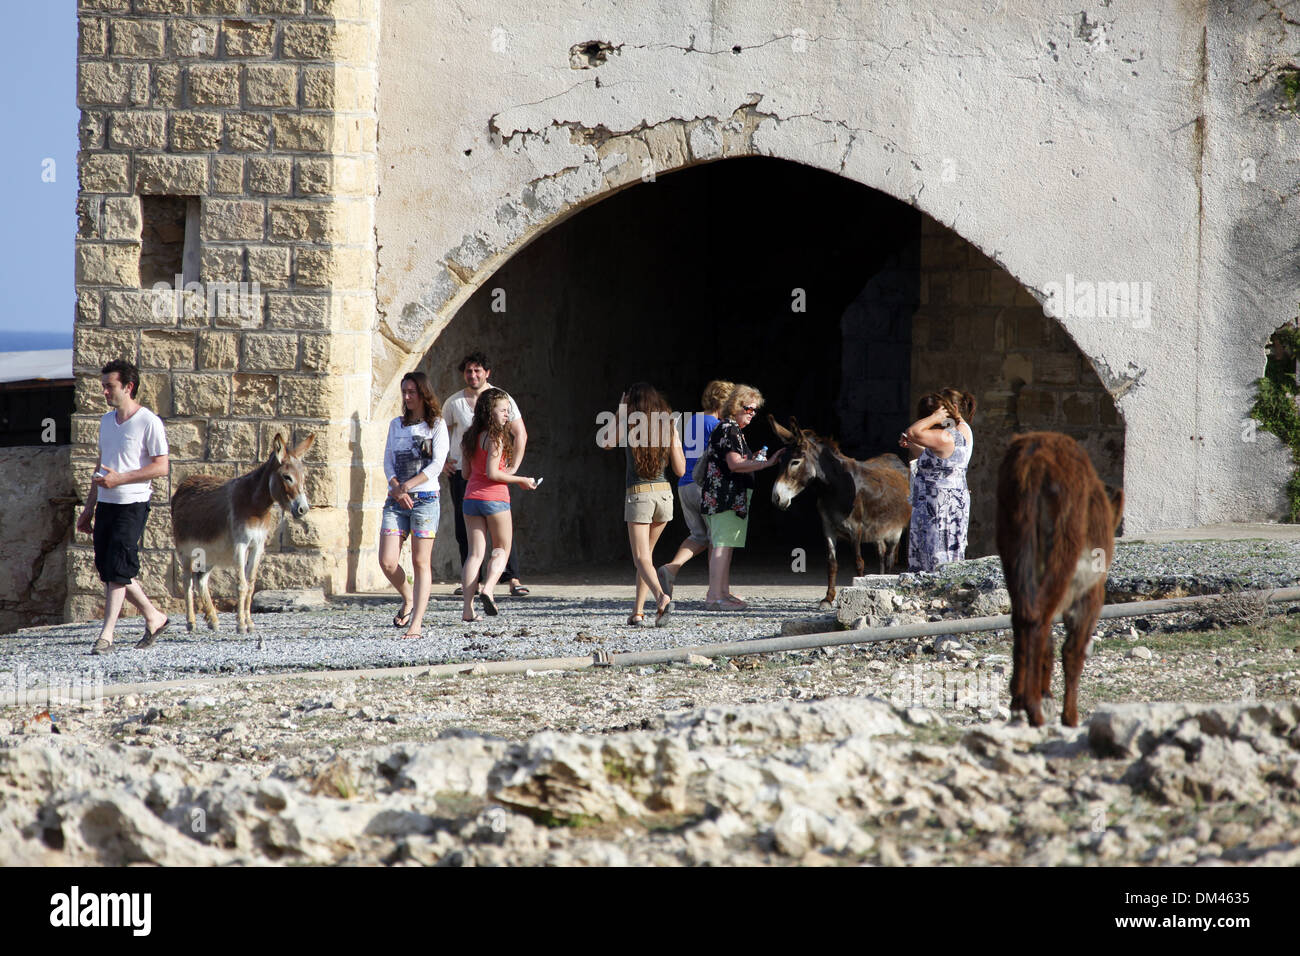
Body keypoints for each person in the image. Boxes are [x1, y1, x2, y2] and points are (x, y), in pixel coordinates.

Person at [75, 359, 171, 654]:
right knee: (109, 569)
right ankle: (155, 617)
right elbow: (100, 467)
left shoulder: (149, 421)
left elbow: (161, 467)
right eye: (103, 386)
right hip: (106, 504)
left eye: (109, 386)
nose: (104, 391)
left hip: (133, 504)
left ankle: (106, 636)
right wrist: (89, 507)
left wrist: (122, 480)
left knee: (117, 568)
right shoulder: (105, 422)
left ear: (128, 387)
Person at [442, 352, 530, 596]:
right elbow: (440, 435)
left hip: (475, 480)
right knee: (476, 535)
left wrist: (513, 468)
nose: (473, 375)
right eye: (469, 371)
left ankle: (512, 578)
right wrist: (442, 463)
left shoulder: (501, 398)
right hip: (468, 476)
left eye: (477, 370)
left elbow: (520, 433)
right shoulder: (454, 402)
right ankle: (479, 585)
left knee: (485, 543)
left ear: (487, 372)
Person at [598, 383, 686, 626]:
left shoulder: (628, 423)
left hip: (639, 497)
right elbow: (680, 470)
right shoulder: (667, 426)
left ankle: (662, 598)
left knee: (640, 557)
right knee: (646, 557)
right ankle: (637, 612)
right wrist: (675, 435)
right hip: (664, 497)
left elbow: (605, 442)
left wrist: (619, 412)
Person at [698, 384, 785, 609]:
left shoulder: (731, 429)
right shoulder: (730, 428)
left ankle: (723, 593)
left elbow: (735, 460)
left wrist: (754, 459)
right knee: (722, 546)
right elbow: (734, 464)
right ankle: (715, 597)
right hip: (725, 497)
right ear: (736, 406)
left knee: (726, 545)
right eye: (748, 409)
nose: (752, 414)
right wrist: (767, 463)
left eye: (755, 410)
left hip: (727, 497)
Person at [379, 371, 449, 639]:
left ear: (423, 394)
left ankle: (416, 623)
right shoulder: (396, 425)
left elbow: (436, 465)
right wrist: (397, 488)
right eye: (404, 392)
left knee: (421, 561)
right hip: (396, 500)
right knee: (387, 561)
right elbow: (388, 461)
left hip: (425, 499)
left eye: (412, 392)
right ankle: (407, 597)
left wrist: (409, 486)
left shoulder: (437, 425)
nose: (407, 397)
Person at [460, 387, 540, 621]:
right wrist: (521, 479)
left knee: (474, 555)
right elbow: (493, 473)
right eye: (503, 410)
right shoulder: (495, 437)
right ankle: (489, 588)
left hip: (471, 498)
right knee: (501, 550)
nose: (507, 415)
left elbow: (465, 472)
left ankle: (467, 610)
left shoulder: (468, 436)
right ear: (489, 411)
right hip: (495, 498)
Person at [655, 380, 733, 602]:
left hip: (685, 486)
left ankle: (671, 569)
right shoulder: (716, 426)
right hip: (705, 486)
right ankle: (716, 591)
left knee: (699, 536)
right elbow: (727, 459)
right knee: (717, 538)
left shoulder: (691, 421)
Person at [899, 388, 976, 571]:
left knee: (934, 554)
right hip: (949, 503)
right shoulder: (958, 431)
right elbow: (939, 461)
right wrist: (912, 445)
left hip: (936, 507)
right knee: (945, 553)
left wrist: (934, 417)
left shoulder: (946, 436)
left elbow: (913, 432)